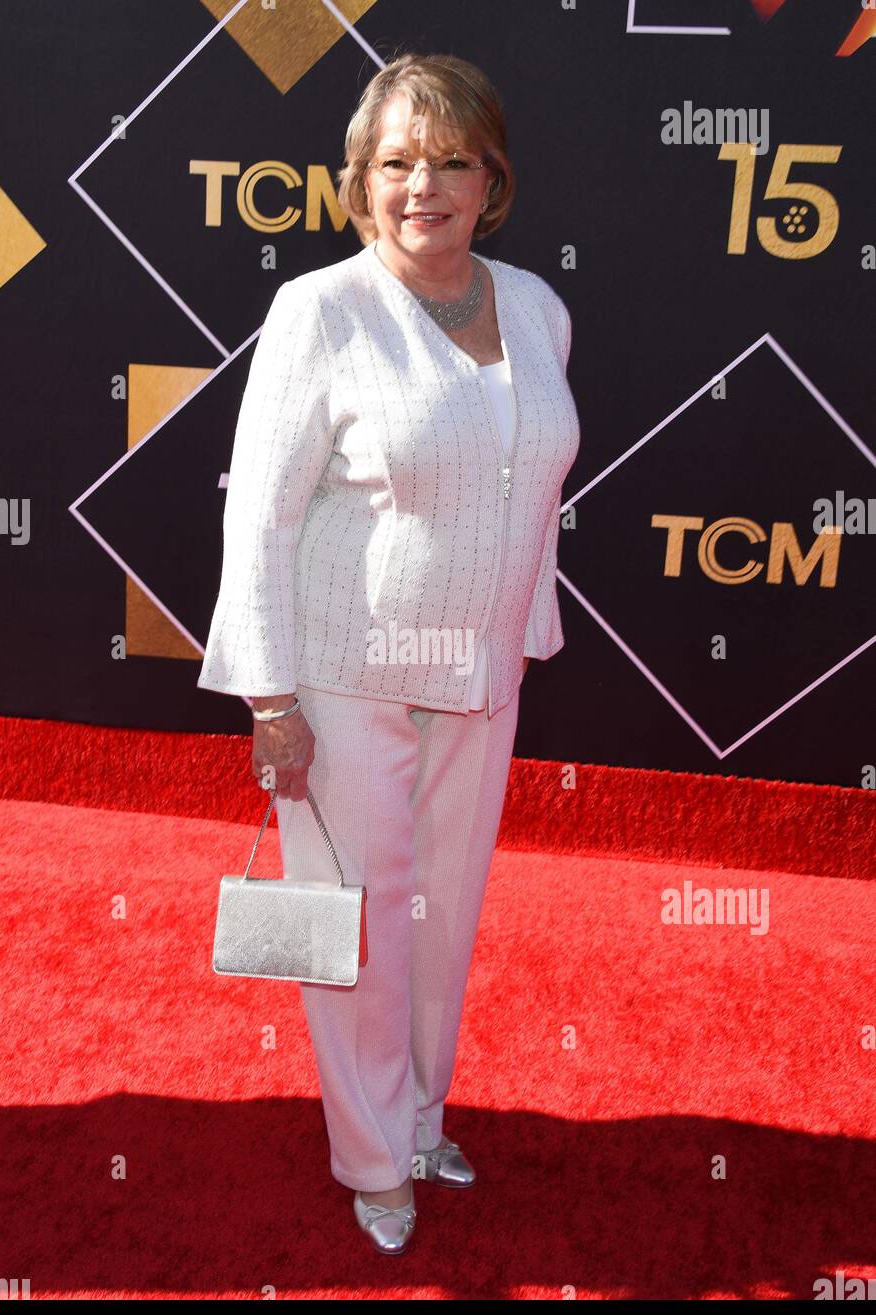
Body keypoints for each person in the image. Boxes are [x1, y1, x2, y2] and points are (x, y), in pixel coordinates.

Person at [197, 51, 580, 1254]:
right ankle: (372, 1160)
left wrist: (516, 630)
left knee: (442, 920)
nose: (426, 183)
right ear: (359, 181)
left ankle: (419, 1119)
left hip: (480, 673)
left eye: (452, 159)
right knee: (356, 931)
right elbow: (257, 509)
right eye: (398, 160)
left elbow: (524, 482)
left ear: (490, 179)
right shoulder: (320, 309)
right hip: (344, 676)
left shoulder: (534, 305)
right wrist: (270, 698)